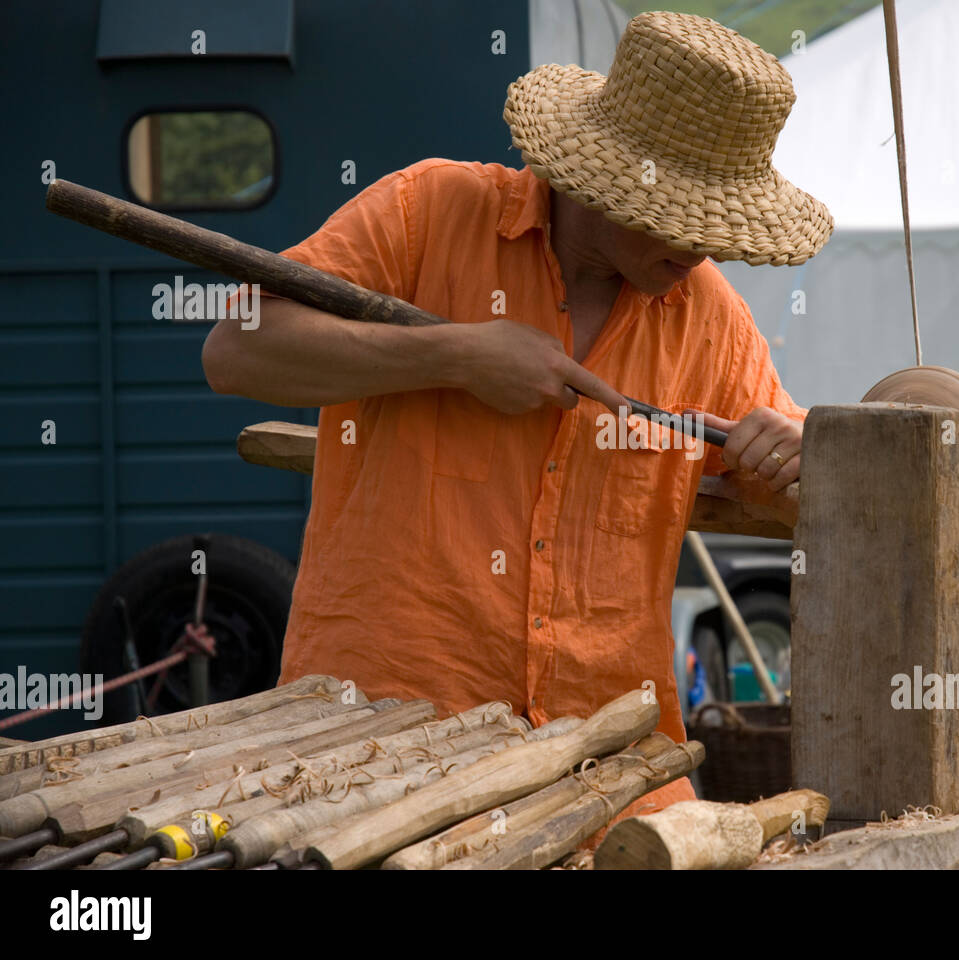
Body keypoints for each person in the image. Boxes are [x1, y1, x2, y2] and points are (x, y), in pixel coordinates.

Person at [201, 11, 832, 821]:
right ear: (609, 178)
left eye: (718, 221)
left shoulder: (708, 315)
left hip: (605, 765)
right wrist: (457, 357)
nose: (702, 248)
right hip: (381, 745)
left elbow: (800, 486)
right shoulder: (430, 212)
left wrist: (795, 460)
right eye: (686, 215)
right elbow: (238, 350)